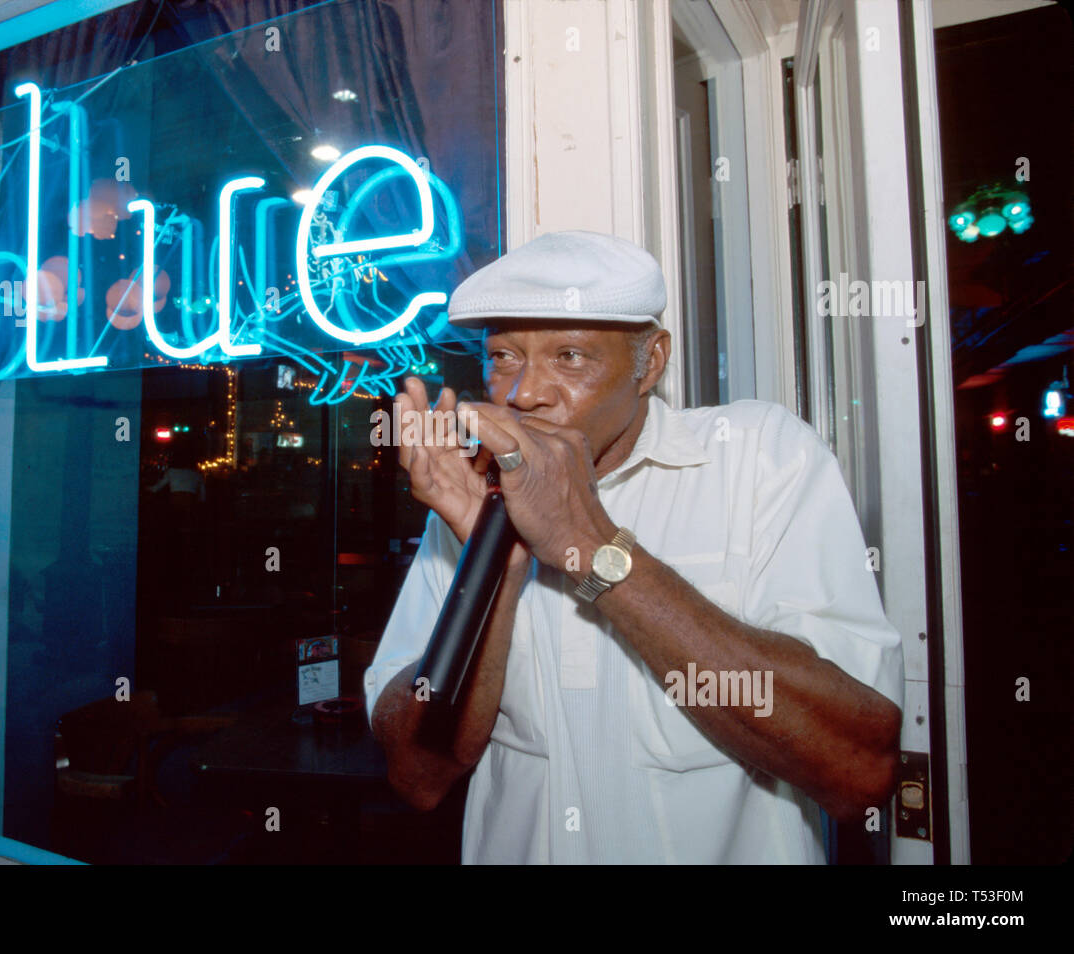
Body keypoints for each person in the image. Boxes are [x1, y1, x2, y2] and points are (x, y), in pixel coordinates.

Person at [363, 230, 904, 863]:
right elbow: (416, 777)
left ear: (649, 364)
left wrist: (585, 545)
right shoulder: (474, 496)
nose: (522, 393)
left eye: (569, 356)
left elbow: (859, 771)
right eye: (504, 356)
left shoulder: (757, 458)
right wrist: (497, 574)